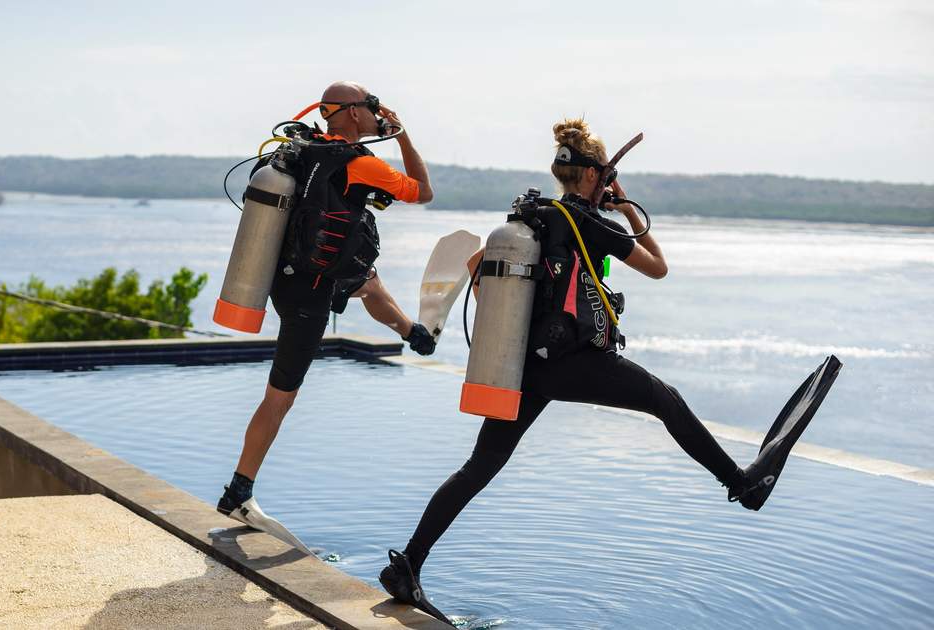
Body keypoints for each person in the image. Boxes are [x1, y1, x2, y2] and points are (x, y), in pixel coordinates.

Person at [377, 118, 830, 618]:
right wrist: (627, 207)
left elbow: (478, 271)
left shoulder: (529, 217)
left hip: (523, 364)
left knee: (478, 467)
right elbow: (658, 267)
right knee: (665, 398)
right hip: (574, 360)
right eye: (606, 177)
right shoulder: (592, 225)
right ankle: (741, 484)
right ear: (595, 176)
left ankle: (409, 565)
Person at [217, 82, 435, 524]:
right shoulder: (359, 163)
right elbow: (423, 191)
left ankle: (413, 333)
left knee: (369, 283)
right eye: (373, 107)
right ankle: (238, 491)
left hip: (287, 274)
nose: (378, 114)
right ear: (354, 114)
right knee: (280, 397)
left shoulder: (303, 149)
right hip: (309, 293)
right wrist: (402, 135)